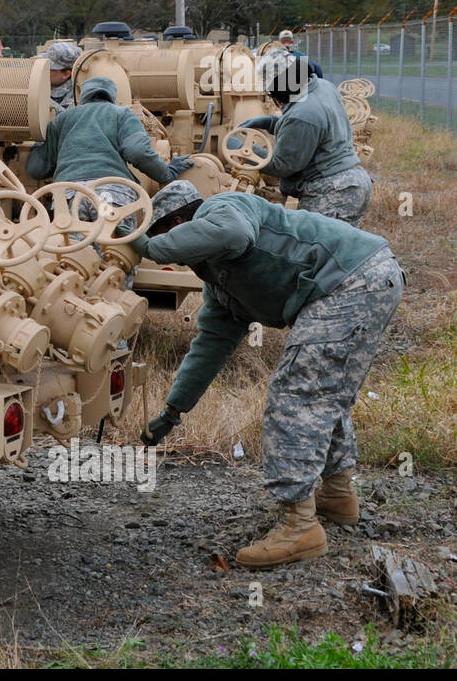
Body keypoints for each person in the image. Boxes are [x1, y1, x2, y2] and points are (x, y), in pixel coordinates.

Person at [134, 180, 404, 569]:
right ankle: (338, 496)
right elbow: (211, 344)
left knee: (296, 396)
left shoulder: (223, 208)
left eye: (168, 242)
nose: (170, 259)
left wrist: (143, 245)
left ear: (179, 222)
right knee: (324, 394)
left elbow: (233, 232)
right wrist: (173, 411)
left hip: (352, 281)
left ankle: (300, 527)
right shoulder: (220, 282)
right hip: (365, 278)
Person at [26, 75, 194, 215]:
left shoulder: (61, 120)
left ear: (83, 95)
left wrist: (39, 142)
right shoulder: (122, 114)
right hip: (111, 195)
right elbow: (138, 152)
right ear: (112, 96)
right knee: (114, 252)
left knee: (72, 252)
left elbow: (36, 169)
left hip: (67, 195)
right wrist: (166, 173)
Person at [239, 54, 371, 226]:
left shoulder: (303, 114)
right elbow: (318, 129)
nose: (273, 95)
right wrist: (273, 123)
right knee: (341, 249)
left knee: (316, 248)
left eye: (272, 89)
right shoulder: (323, 87)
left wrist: (246, 149)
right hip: (351, 183)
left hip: (331, 192)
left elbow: (282, 166)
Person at [44, 41, 81, 111]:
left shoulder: (78, 93)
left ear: (66, 74)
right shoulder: (47, 81)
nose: (42, 69)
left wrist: (40, 99)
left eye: (48, 67)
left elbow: (65, 119)